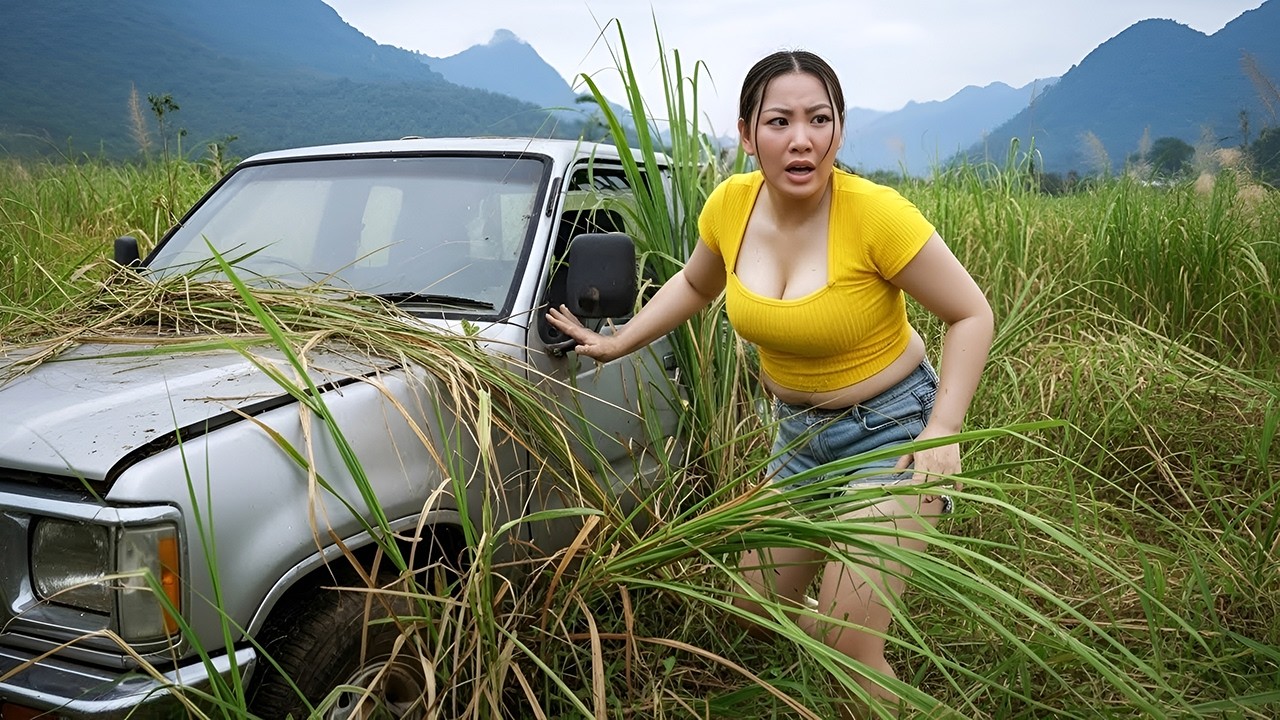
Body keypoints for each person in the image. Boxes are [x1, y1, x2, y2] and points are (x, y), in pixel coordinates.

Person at [547, 49, 993, 714]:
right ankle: (843, 632)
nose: (802, 139)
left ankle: (856, 648)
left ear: (839, 129)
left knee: (849, 643)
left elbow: (971, 313)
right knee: (749, 610)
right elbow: (699, 282)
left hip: (892, 431)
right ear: (747, 132)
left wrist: (943, 430)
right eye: (780, 121)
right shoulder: (732, 204)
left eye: (820, 119)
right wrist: (619, 341)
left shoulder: (877, 214)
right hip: (797, 442)